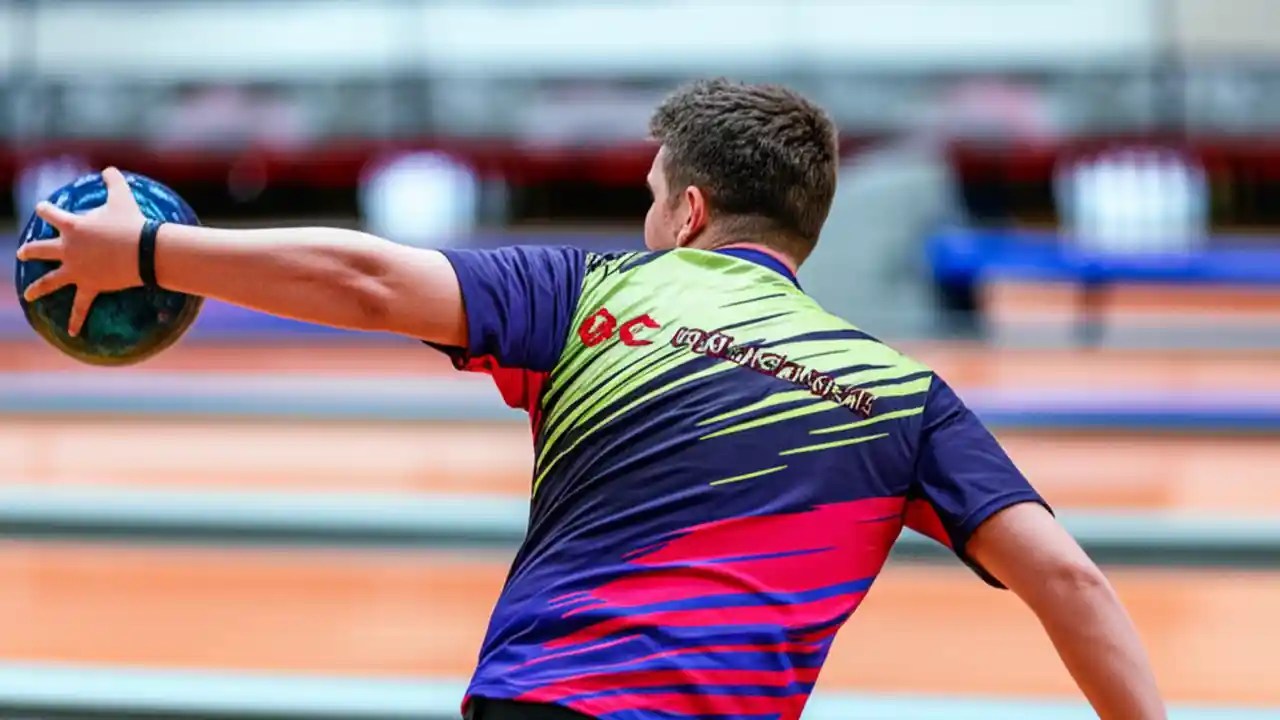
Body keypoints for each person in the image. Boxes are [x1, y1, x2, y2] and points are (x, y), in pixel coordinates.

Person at [18, 79, 1165, 720]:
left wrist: (159, 253)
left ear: (692, 212)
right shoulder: (901, 394)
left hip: (547, 710)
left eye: (652, 195)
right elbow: (1065, 578)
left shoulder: (590, 292)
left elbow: (366, 278)